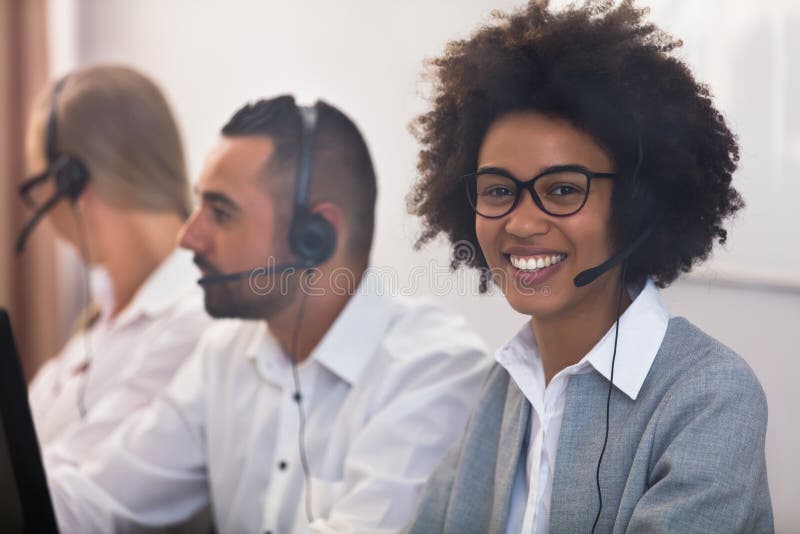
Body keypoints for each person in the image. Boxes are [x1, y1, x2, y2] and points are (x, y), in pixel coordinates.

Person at [405, 1, 773, 533]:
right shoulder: (503, 387)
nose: (522, 223)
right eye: (498, 190)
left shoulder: (710, 396)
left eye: (562, 190)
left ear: (634, 207)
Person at [45, 95, 490, 533]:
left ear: (314, 236)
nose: (187, 237)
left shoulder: (435, 372)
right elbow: (101, 495)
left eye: (220, 213)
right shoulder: (224, 355)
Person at [20, 65, 210, 463]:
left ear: (73, 182)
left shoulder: (193, 321)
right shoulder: (97, 321)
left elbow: (77, 492)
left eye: (37, 188)